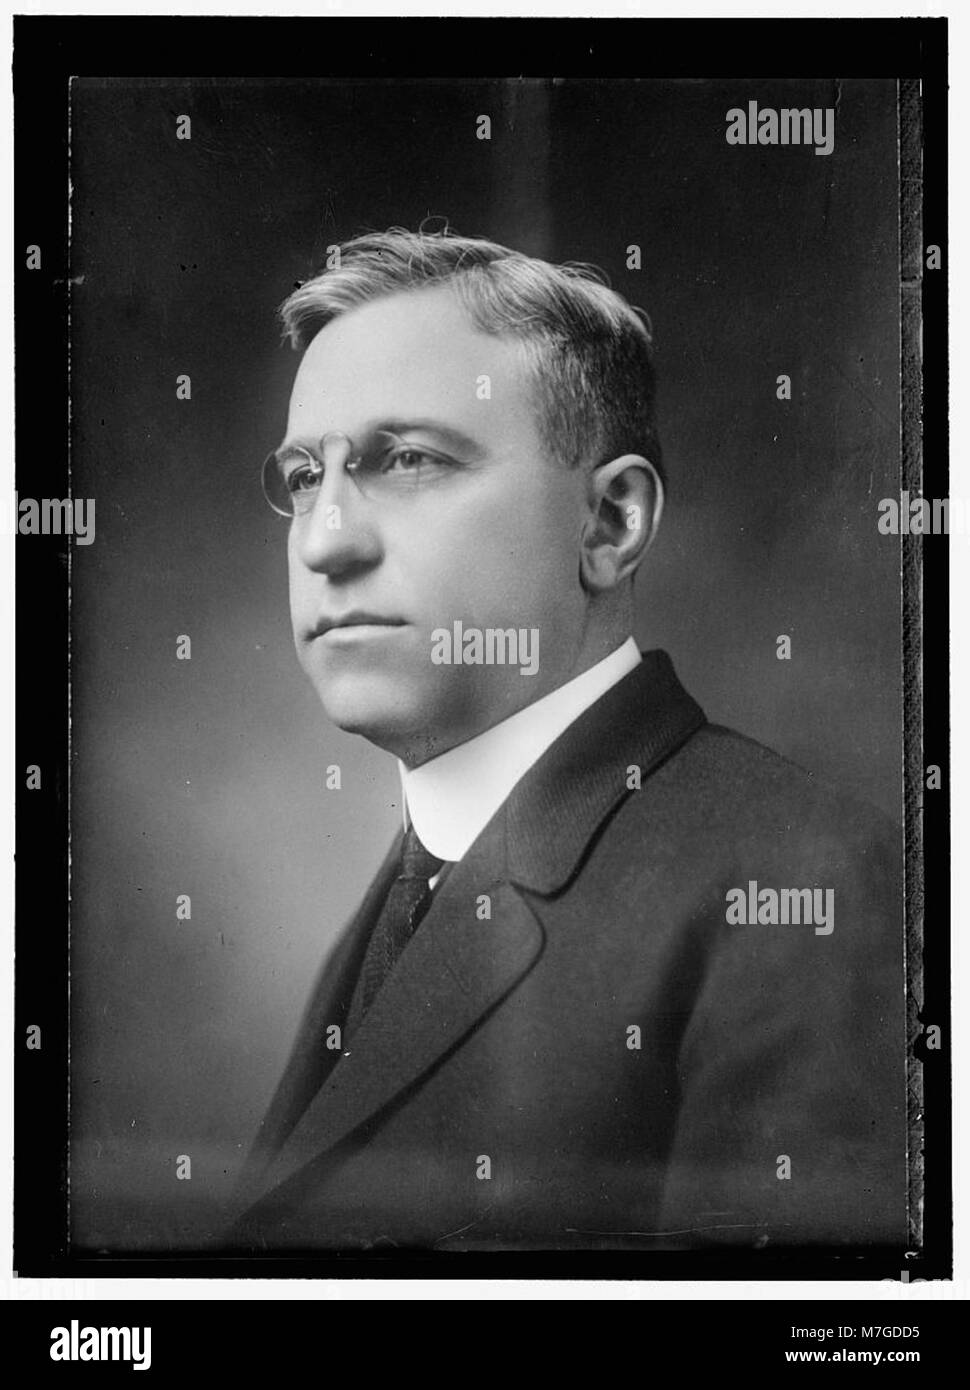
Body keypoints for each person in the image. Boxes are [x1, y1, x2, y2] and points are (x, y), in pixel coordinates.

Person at [227, 228, 906, 1252]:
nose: (326, 538)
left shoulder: (808, 882)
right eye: (301, 476)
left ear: (609, 523)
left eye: (406, 459)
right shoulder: (411, 886)